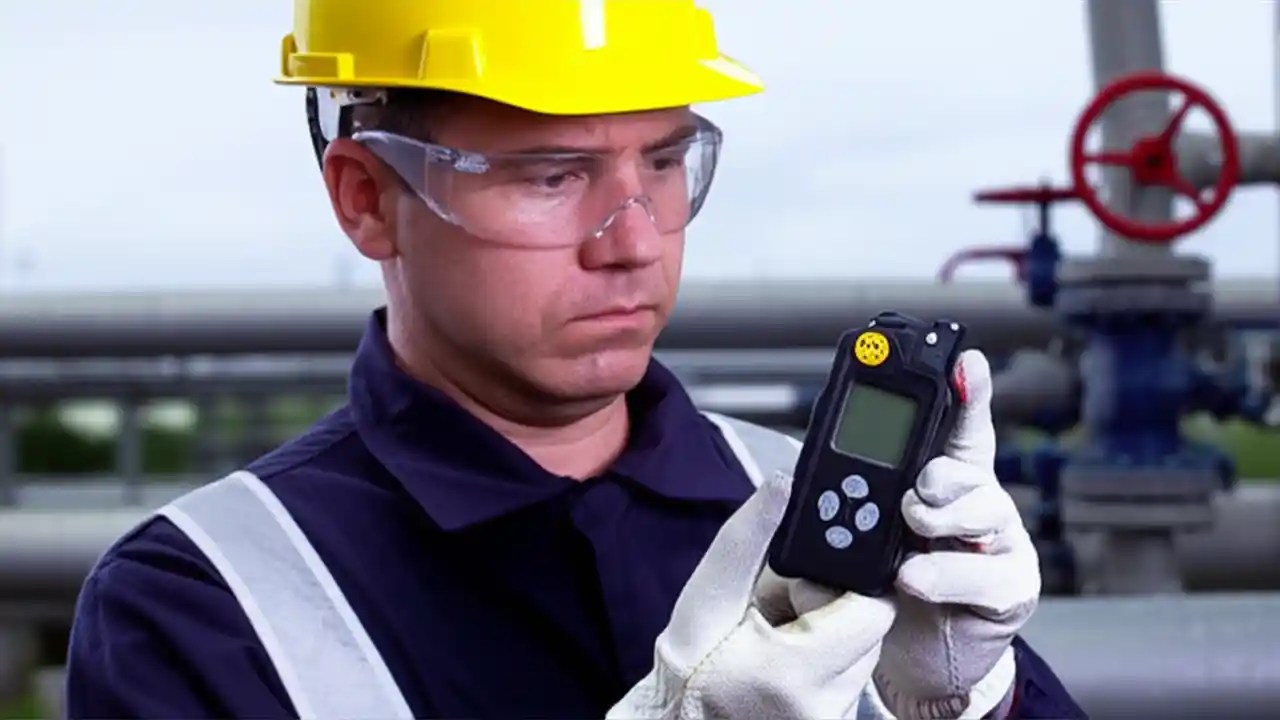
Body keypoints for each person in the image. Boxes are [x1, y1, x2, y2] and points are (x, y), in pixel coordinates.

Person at [64, 1, 1085, 718]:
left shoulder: (796, 501)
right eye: (551, 176)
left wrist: (974, 699)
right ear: (367, 198)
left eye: (664, 161)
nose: (633, 240)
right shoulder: (202, 605)